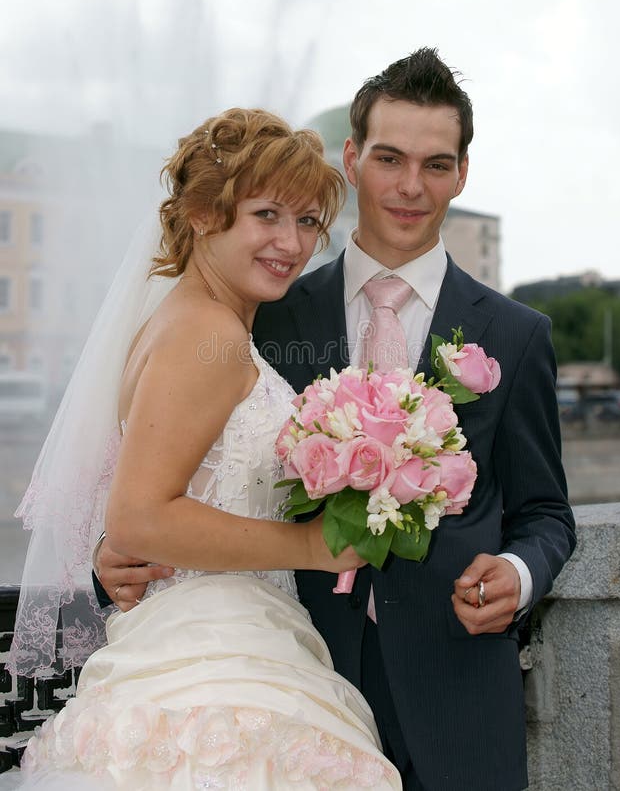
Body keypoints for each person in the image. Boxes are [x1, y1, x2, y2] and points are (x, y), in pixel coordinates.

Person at [95, 49, 576, 790]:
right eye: (388, 158)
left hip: (458, 696)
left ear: (462, 173)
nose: (410, 186)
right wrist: (115, 555)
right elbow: (171, 466)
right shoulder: (258, 310)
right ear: (352, 159)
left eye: (436, 164)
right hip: (288, 682)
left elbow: (545, 511)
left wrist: (519, 570)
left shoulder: (516, 335)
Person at [3, 108, 402, 790]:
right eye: (267, 214)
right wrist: (311, 547)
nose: (292, 242)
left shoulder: (188, 323)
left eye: (308, 222)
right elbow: (140, 517)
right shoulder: (203, 336)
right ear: (200, 214)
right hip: (217, 659)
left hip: (212, 639)